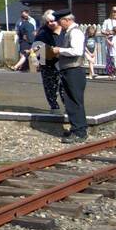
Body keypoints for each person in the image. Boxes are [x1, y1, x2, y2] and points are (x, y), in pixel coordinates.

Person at [49, 9, 89, 141]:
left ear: (67, 20)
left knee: (74, 101)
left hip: (74, 70)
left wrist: (60, 50)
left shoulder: (75, 32)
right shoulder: (69, 32)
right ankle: (77, 128)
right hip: (69, 70)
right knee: (71, 100)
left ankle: (79, 131)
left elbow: (76, 51)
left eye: (61, 21)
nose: (60, 24)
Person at [34, 10, 62, 111]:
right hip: (48, 64)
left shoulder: (64, 31)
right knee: (50, 87)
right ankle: (54, 107)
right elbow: (36, 48)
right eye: (47, 22)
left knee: (64, 87)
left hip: (63, 63)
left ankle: (69, 108)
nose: (50, 23)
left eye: (52, 21)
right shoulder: (42, 33)